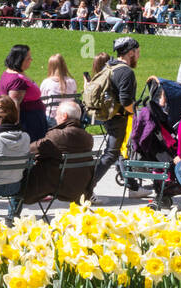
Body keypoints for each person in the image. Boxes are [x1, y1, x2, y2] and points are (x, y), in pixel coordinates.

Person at [90, 37, 142, 195]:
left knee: (118, 151)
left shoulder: (110, 65)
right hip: (118, 118)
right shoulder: (126, 72)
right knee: (111, 154)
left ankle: (132, 186)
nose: (139, 55)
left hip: (108, 115)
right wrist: (138, 113)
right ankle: (85, 187)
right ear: (130, 53)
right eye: (137, 52)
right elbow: (126, 100)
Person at [21, 100, 95, 204]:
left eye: (57, 114)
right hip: (79, 188)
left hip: (54, 185)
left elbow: (29, 150)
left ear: (64, 116)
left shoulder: (57, 136)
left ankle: (12, 214)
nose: (55, 117)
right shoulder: (88, 138)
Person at [0, 44, 48, 142]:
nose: (31, 60)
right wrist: (16, 129)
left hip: (33, 118)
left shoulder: (11, 73)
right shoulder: (17, 80)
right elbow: (14, 104)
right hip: (29, 122)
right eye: (28, 58)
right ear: (19, 60)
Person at [38, 54, 78, 123]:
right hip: (69, 117)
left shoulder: (46, 83)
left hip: (51, 117)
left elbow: (42, 101)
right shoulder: (72, 82)